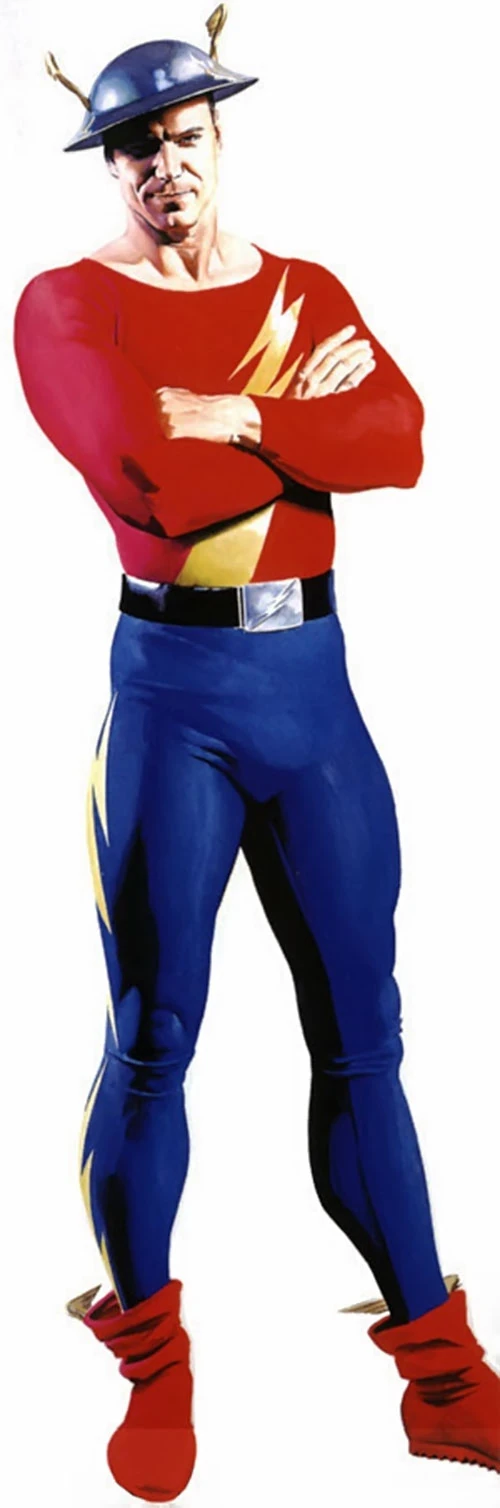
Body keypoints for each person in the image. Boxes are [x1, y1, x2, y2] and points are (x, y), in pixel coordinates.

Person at [13, 9, 500, 1502]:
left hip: (316, 693)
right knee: (156, 1033)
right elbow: (153, 482)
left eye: (185, 136)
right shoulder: (63, 307)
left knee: (367, 1037)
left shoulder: (309, 287)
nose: (165, 165)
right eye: (135, 148)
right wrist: (299, 420)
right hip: (175, 699)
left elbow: (403, 440)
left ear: (222, 138)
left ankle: (442, 1376)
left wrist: (240, 411)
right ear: (112, 167)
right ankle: (154, 1364)